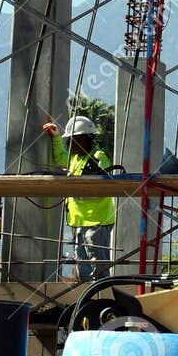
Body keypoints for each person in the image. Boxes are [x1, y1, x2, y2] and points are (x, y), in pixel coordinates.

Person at [41, 114, 117, 281]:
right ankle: (86, 296)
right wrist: (55, 136)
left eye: (73, 140)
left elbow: (102, 189)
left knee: (98, 263)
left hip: (97, 221)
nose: (70, 144)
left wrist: (77, 189)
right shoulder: (76, 157)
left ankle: (101, 294)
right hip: (79, 221)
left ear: (85, 139)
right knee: (82, 262)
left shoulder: (98, 158)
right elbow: (61, 158)